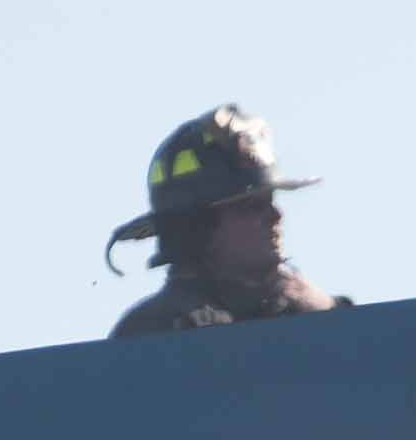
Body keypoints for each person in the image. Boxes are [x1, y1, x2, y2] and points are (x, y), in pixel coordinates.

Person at [103, 106, 346, 336]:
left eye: (270, 201)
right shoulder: (148, 336)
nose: (275, 216)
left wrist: (326, 314)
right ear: (197, 228)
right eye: (252, 207)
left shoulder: (324, 319)